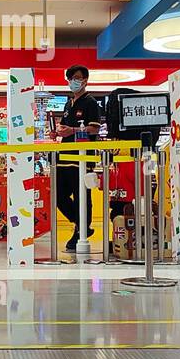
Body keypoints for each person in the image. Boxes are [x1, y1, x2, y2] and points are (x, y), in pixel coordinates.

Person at [54, 64, 102, 252]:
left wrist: (72, 131)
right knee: (59, 195)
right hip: (64, 157)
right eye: (71, 78)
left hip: (82, 158)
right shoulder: (68, 103)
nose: (74, 81)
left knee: (82, 195)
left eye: (78, 77)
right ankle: (81, 224)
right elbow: (64, 128)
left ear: (85, 80)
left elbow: (95, 128)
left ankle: (81, 230)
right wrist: (57, 133)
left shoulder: (90, 103)